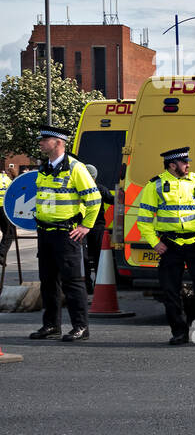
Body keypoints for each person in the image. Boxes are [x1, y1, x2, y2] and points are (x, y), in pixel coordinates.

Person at [136, 146, 195, 345]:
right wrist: (155, 243)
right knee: (170, 291)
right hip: (170, 246)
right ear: (172, 165)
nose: (188, 165)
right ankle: (179, 333)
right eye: (184, 162)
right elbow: (143, 220)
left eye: (188, 162)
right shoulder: (155, 185)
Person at [28, 125, 101, 342]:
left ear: (59, 142)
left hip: (67, 234)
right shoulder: (44, 168)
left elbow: (94, 200)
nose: (41, 142)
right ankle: (51, 325)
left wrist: (85, 226)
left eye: (45, 139)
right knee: (48, 281)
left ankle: (80, 327)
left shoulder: (76, 169)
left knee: (73, 281)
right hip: (45, 232)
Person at [81, 164, 114, 292]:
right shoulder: (100, 189)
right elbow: (113, 200)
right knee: (98, 256)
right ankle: (100, 284)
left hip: (81, 227)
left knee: (83, 257)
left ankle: (87, 285)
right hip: (97, 227)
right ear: (95, 176)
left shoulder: (78, 189)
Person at [1, 168, 19, 283]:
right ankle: (1, 253)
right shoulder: (7, 180)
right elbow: (14, 195)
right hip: (3, 209)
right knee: (10, 232)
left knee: (7, 232)